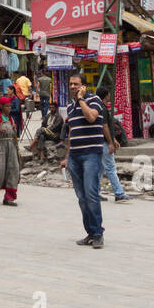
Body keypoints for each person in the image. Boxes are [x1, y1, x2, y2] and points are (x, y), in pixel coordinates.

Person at [61, 73, 108, 247]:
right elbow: (72, 133)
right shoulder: (70, 107)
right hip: (75, 156)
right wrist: (67, 157)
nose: (72, 87)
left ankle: (97, 233)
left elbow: (91, 117)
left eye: (76, 84)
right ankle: (90, 232)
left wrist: (81, 100)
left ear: (83, 86)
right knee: (81, 197)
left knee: (91, 194)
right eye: (71, 84)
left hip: (91, 155)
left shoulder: (94, 100)